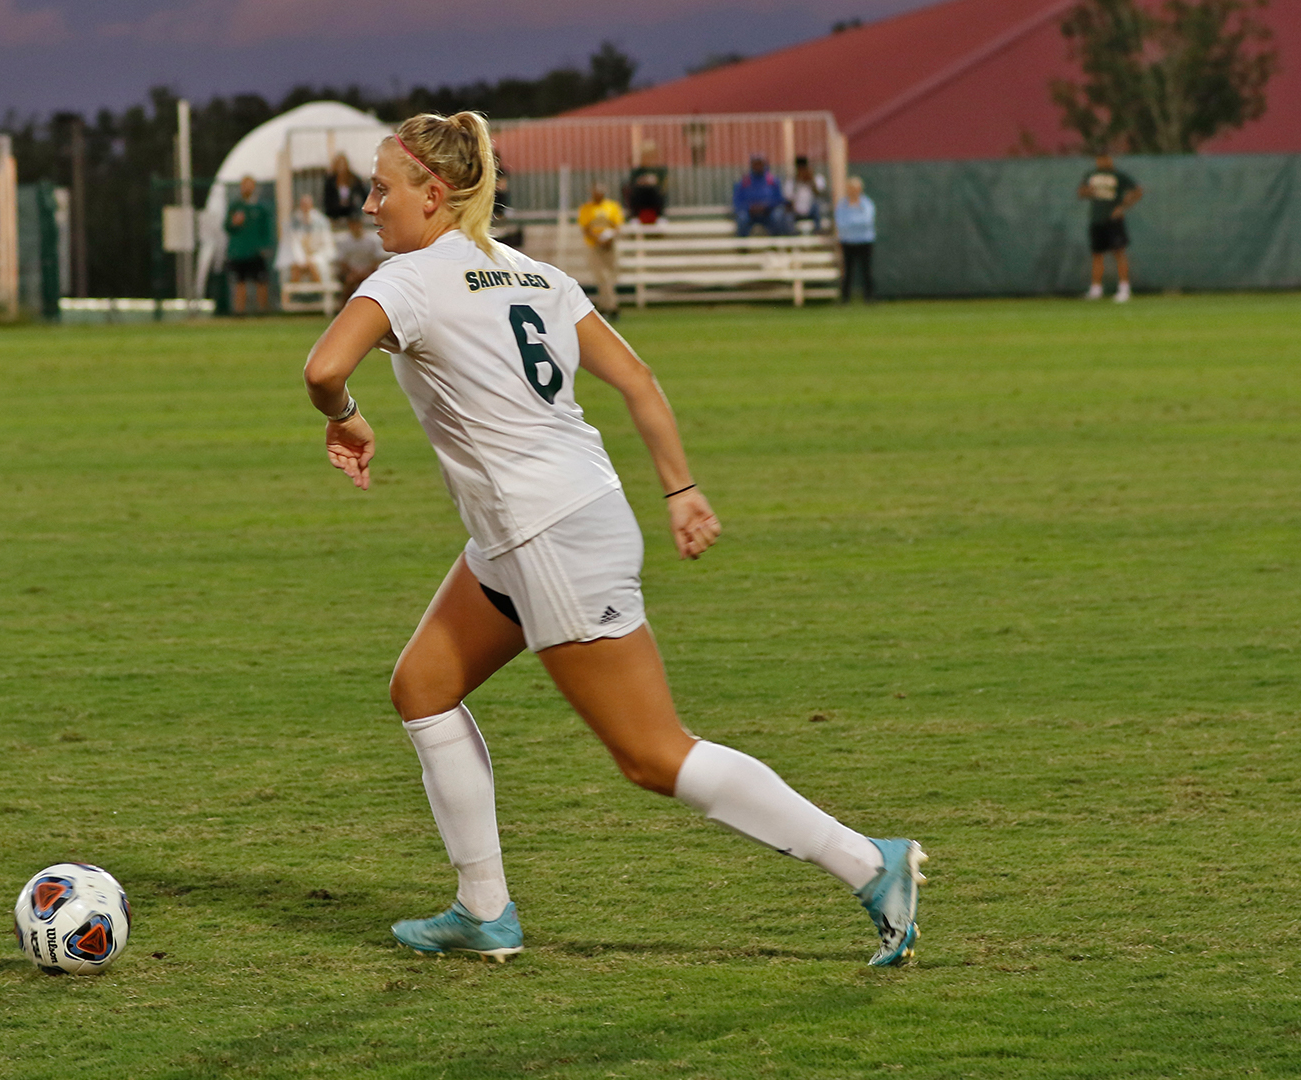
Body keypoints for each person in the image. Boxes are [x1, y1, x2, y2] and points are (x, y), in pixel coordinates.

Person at [303, 111, 928, 968]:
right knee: (423, 687)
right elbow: (635, 377)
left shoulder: (404, 279)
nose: (370, 204)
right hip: (549, 519)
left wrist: (346, 417)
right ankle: (484, 912)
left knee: (649, 752)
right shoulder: (532, 273)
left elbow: (323, 369)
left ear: (434, 195)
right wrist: (680, 486)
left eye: (382, 188)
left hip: (545, 534)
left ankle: (869, 863)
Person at [1078, 154, 1142, 302]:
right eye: (1099, 158)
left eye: (1105, 158)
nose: (1102, 161)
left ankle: (1124, 289)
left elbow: (1137, 190)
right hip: (1096, 219)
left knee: (1119, 253)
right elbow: (1081, 192)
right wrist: (1088, 192)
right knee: (1097, 254)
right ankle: (1096, 289)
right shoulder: (1091, 174)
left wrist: (1122, 207)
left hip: (1113, 220)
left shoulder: (1118, 175)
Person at [223, 175, 273, 315]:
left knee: (261, 281)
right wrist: (234, 222)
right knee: (240, 282)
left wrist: (265, 245)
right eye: (244, 185)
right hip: (239, 251)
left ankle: (263, 312)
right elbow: (227, 226)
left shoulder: (260, 207)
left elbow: (266, 229)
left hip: (255, 251)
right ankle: (239, 313)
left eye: (250, 184)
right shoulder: (236, 206)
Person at [577, 182, 623, 318]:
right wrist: (598, 240)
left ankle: (605, 306)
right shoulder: (586, 208)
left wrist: (608, 239)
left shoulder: (612, 207)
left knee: (611, 277)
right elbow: (585, 228)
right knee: (601, 277)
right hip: (594, 246)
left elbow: (617, 225)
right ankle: (611, 306)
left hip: (610, 246)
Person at [834, 176, 876, 303]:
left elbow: (867, 221)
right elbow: (840, 223)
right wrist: (855, 221)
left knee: (866, 270)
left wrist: (851, 222)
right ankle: (845, 298)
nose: (853, 191)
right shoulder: (842, 204)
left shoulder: (866, 203)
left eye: (855, 188)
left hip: (865, 241)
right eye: (850, 188)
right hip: (847, 241)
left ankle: (869, 297)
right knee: (847, 271)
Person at [732, 155, 791, 237]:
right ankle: (742, 247)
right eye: (755, 164)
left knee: (778, 216)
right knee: (742, 218)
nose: (758, 166)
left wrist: (767, 206)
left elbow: (779, 199)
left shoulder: (772, 181)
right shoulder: (744, 182)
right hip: (750, 214)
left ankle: (776, 244)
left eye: (760, 164)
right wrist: (749, 207)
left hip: (768, 212)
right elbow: (737, 201)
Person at [333, 213, 386, 301]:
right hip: (351, 272)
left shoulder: (371, 240)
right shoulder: (345, 242)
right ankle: (345, 306)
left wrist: (366, 271)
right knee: (349, 282)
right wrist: (354, 272)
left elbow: (376, 259)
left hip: (368, 271)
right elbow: (342, 261)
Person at [283, 193, 334, 284]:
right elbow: (293, 244)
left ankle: (320, 293)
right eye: (303, 204)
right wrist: (302, 258)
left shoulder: (321, 222)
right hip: (300, 257)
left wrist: (311, 258)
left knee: (313, 265)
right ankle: (295, 296)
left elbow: (327, 244)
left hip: (318, 255)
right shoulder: (294, 222)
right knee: (295, 267)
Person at [624, 141, 667, 225]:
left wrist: (652, 182)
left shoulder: (661, 170)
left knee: (655, 190)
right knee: (629, 188)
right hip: (640, 199)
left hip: (655, 198)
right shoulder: (636, 171)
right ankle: (635, 216)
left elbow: (663, 184)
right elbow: (632, 183)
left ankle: (660, 216)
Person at [788, 155, 828, 232]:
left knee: (817, 206)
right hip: (796, 210)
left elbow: (820, 194)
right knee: (785, 214)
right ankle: (792, 235)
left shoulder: (817, 178)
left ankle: (818, 232)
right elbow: (789, 197)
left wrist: (810, 181)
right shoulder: (792, 181)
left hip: (812, 210)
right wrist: (797, 182)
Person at [323, 153, 366, 222]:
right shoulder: (330, 181)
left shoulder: (354, 179)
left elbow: (363, 194)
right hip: (336, 213)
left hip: (352, 212)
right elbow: (327, 199)